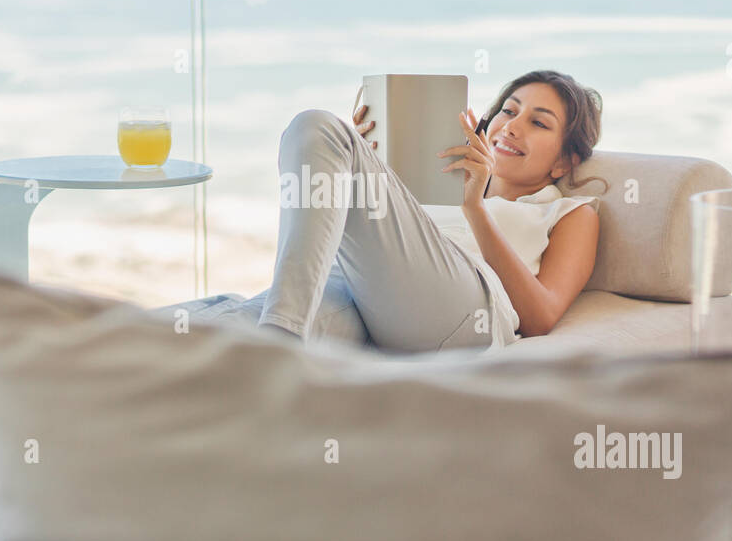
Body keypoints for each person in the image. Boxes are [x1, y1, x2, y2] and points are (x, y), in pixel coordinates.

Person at [257, 69, 606, 353]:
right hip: (372, 300)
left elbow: (541, 317)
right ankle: (277, 343)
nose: (512, 126)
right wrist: (361, 160)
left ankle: (281, 338)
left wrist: (475, 208)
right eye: (509, 111)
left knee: (318, 126)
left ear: (564, 162)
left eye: (539, 123)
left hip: (465, 312)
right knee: (236, 329)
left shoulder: (568, 212)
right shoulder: (434, 182)